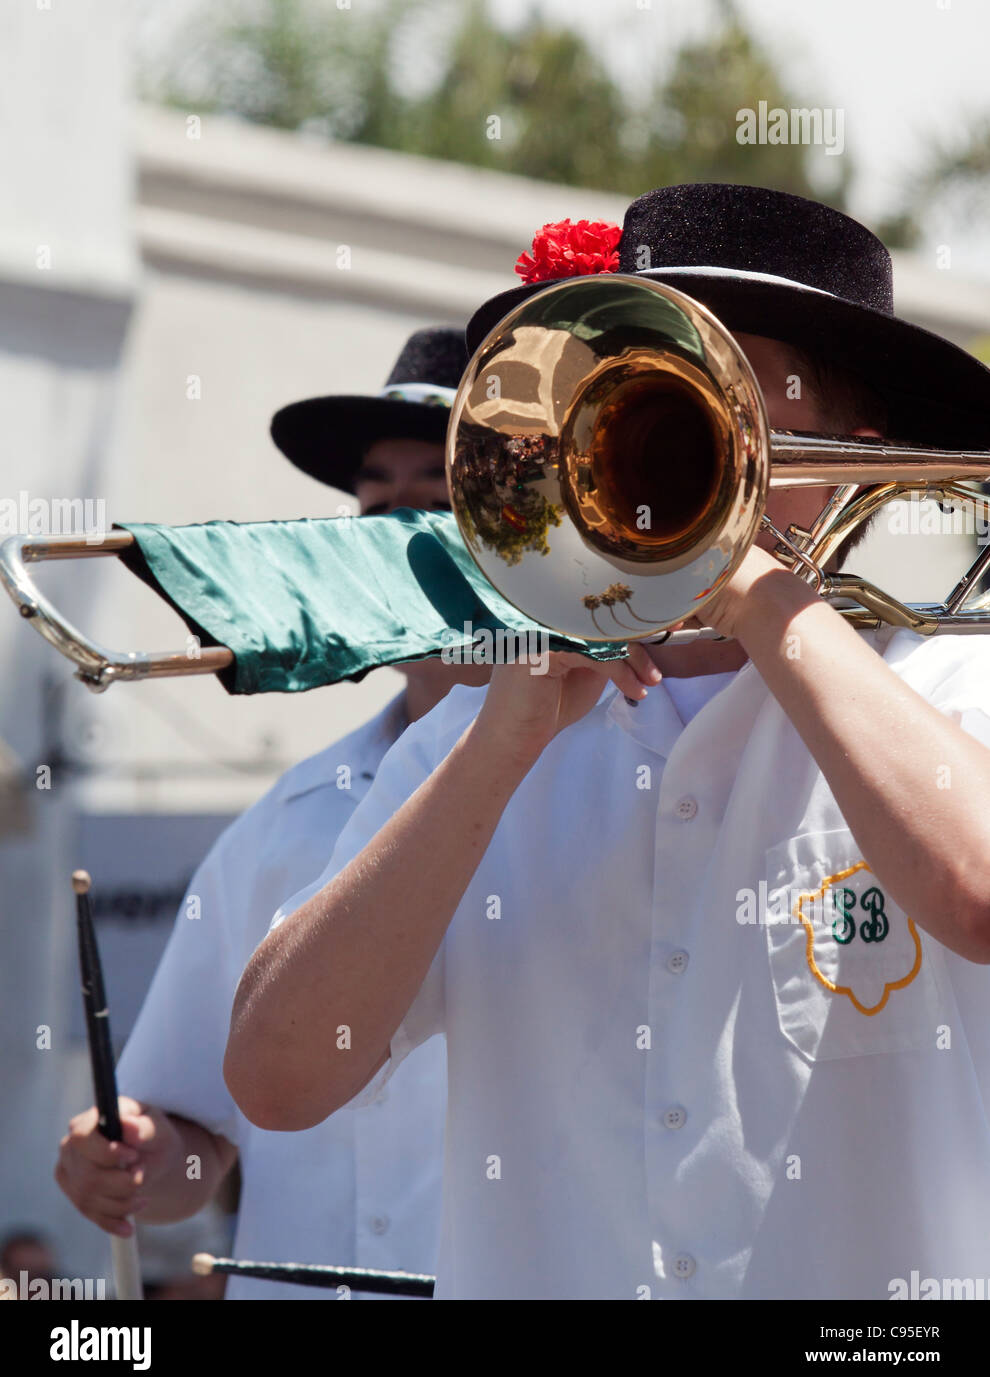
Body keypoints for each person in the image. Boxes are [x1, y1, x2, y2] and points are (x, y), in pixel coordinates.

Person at [225, 186, 990, 1300]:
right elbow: (279, 1075)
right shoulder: (472, 735)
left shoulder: (951, 689)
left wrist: (763, 597)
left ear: (851, 454)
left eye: (729, 392)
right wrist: (500, 742)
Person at [55, 328, 488, 1299]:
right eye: (374, 487)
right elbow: (199, 1146)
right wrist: (125, 1156)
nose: (388, 511)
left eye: (438, 482)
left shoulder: (620, 786)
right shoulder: (283, 822)